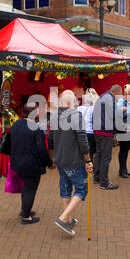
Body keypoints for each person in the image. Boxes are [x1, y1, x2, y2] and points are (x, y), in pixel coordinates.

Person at [49, 91, 92, 236]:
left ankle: (68, 219)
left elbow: (50, 140)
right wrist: (88, 159)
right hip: (74, 160)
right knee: (81, 189)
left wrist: (53, 158)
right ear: (69, 103)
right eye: (74, 100)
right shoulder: (75, 115)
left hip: (60, 159)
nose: (76, 103)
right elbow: (82, 139)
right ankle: (63, 218)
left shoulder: (54, 115)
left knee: (66, 188)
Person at [11, 105, 53, 224]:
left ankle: (25, 210)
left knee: (25, 187)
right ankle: (26, 217)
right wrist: (49, 163)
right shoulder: (35, 129)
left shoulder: (16, 124)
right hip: (31, 165)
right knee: (30, 189)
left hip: (17, 163)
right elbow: (42, 150)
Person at [93, 85, 122, 190]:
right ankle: (104, 183)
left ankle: (96, 178)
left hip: (97, 130)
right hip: (106, 131)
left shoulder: (102, 96)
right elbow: (114, 115)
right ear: (118, 92)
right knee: (106, 157)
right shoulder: (110, 99)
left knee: (99, 155)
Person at [116, 84, 130, 178]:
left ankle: (124, 169)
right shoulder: (121, 102)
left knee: (126, 150)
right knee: (123, 150)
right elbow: (118, 113)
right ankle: (122, 170)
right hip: (123, 129)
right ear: (127, 94)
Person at [77, 90, 96, 161]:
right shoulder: (93, 108)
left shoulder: (79, 108)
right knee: (91, 152)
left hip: (81, 132)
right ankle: (90, 167)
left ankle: (84, 166)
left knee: (82, 151)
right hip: (91, 132)